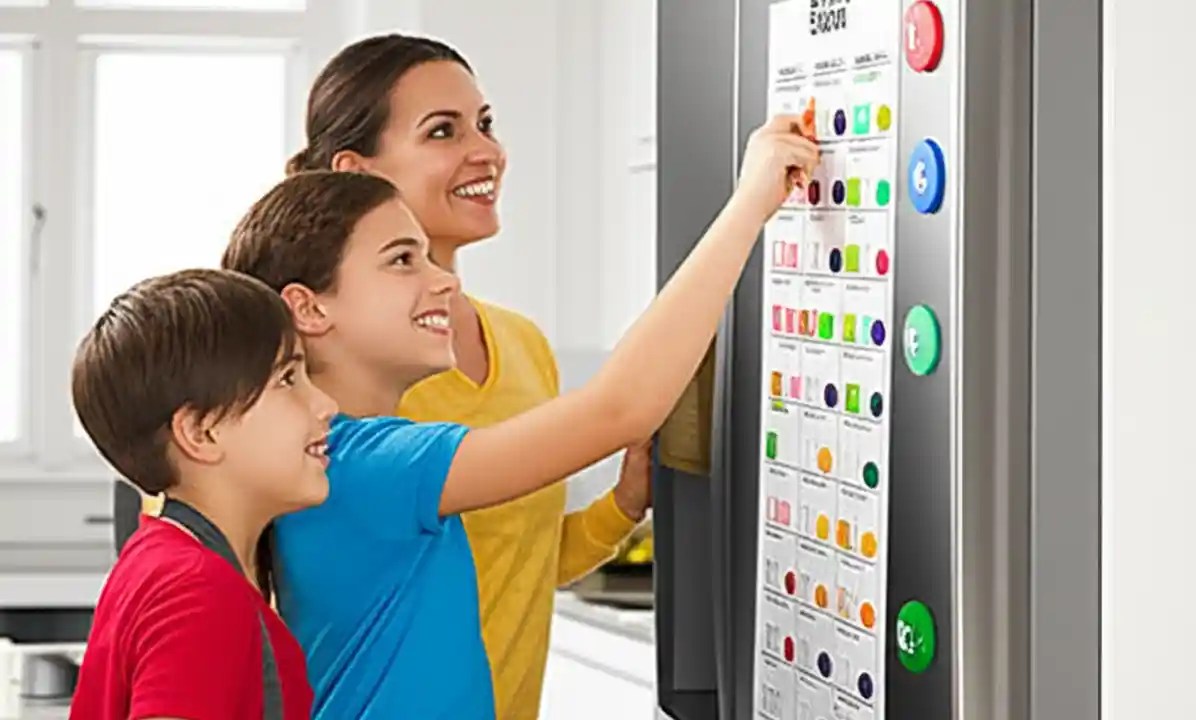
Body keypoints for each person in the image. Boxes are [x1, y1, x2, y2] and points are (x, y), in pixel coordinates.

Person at [223, 113, 815, 718]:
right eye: (403, 260)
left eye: (429, 257)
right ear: (310, 308)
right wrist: (751, 202)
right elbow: (618, 409)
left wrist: (620, 506)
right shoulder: (366, 465)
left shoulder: (347, 460)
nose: (442, 283)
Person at [286, 36, 653, 716]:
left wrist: (621, 508)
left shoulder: (522, 344)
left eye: (484, 123)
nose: (486, 151)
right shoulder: (335, 381)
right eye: (442, 131)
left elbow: (519, 563)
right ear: (356, 172)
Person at [68, 269, 336, 720]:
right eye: (288, 379)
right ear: (201, 432)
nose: (326, 405)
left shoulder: (162, 560)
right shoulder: (197, 591)